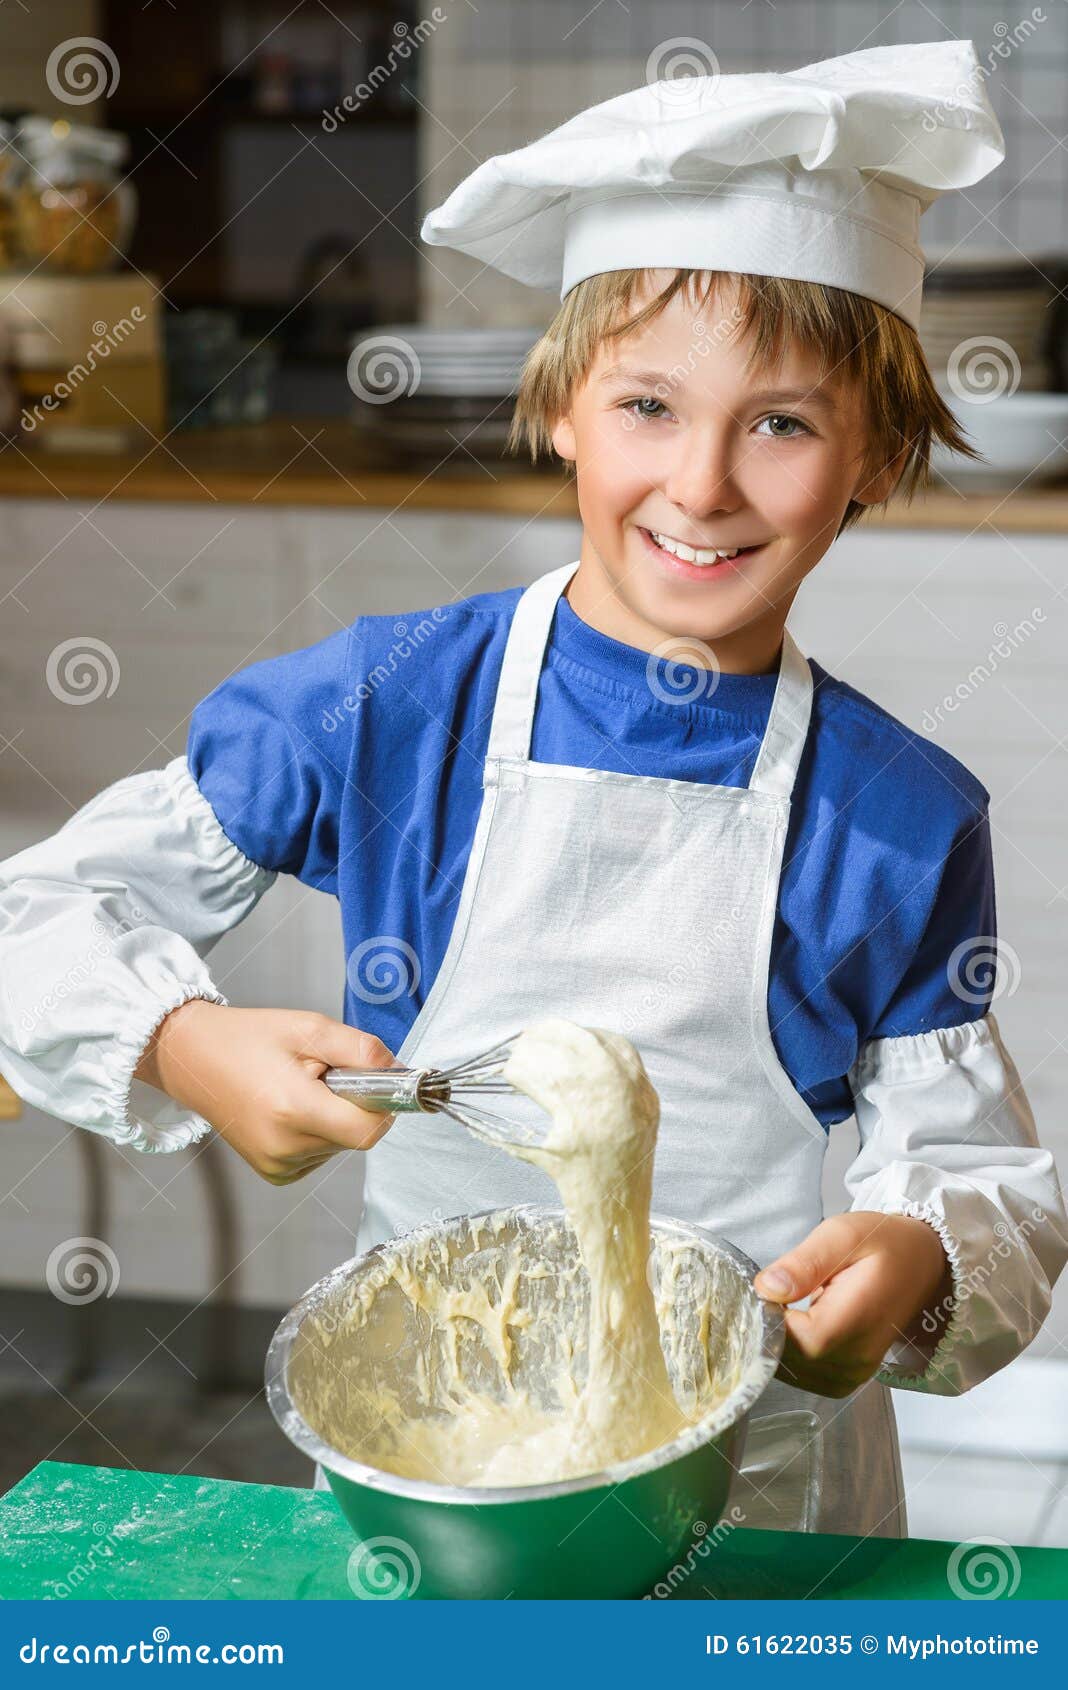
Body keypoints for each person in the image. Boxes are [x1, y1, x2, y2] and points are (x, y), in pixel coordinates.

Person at [1, 40, 1065, 1538]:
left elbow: (981, 1180)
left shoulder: (892, 816)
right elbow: (36, 915)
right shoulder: (387, 710)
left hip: (759, 1490)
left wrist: (919, 1257)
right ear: (562, 405)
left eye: (781, 423)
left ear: (875, 457)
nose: (701, 484)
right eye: (647, 407)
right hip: (444, 1462)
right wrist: (183, 1043)